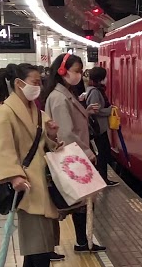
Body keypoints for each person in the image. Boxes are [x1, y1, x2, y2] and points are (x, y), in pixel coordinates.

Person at [0, 64, 73, 267]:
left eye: (40, 82)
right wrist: (13, 176)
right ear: (19, 83)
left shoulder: (36, 111)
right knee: (39, 236)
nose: (38, 86)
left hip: (41, 180)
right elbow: (3, 148)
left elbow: (49, 144)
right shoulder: (7, 112)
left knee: (39, 236)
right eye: (35, 81)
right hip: (26, 183)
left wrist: (51, 134)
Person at [43, 53, 106, 253]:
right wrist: (88, 153)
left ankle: (82, 241)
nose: (80, 76)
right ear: (63, 71)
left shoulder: (64, 94)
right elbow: (66, 133)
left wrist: (85, 112)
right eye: (76, 71)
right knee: (78, 202)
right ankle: (77, 242)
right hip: (73, 156)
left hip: (73, 155)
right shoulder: (60, 98)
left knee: (81, 202)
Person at [82, 66, 119, 187]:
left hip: (99, 128)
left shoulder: (93, 90)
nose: (106, 79)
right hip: (98, 128)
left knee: (104, 152)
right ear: (100, 78)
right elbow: (95, 110)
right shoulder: (95, 92)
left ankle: (103, 177)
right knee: (104, 153)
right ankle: (102, 178)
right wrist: (109, 110)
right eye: (105, 77)